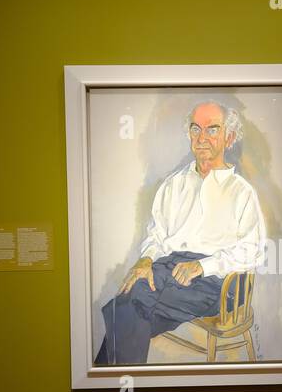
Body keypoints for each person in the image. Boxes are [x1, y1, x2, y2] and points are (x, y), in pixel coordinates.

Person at [95, 100, 266, 365]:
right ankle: (119, 381)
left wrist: (202, 265)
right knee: (131, 307)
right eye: (195, 129)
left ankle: (113, 384)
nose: (202, 138)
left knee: (128, 303)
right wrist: (147, 259)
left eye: (212, 130)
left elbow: (252, 250)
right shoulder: (173, 184)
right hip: (169, 270)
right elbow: (157, 234)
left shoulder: (241, 192)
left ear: (229, 137)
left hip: (218, 283)